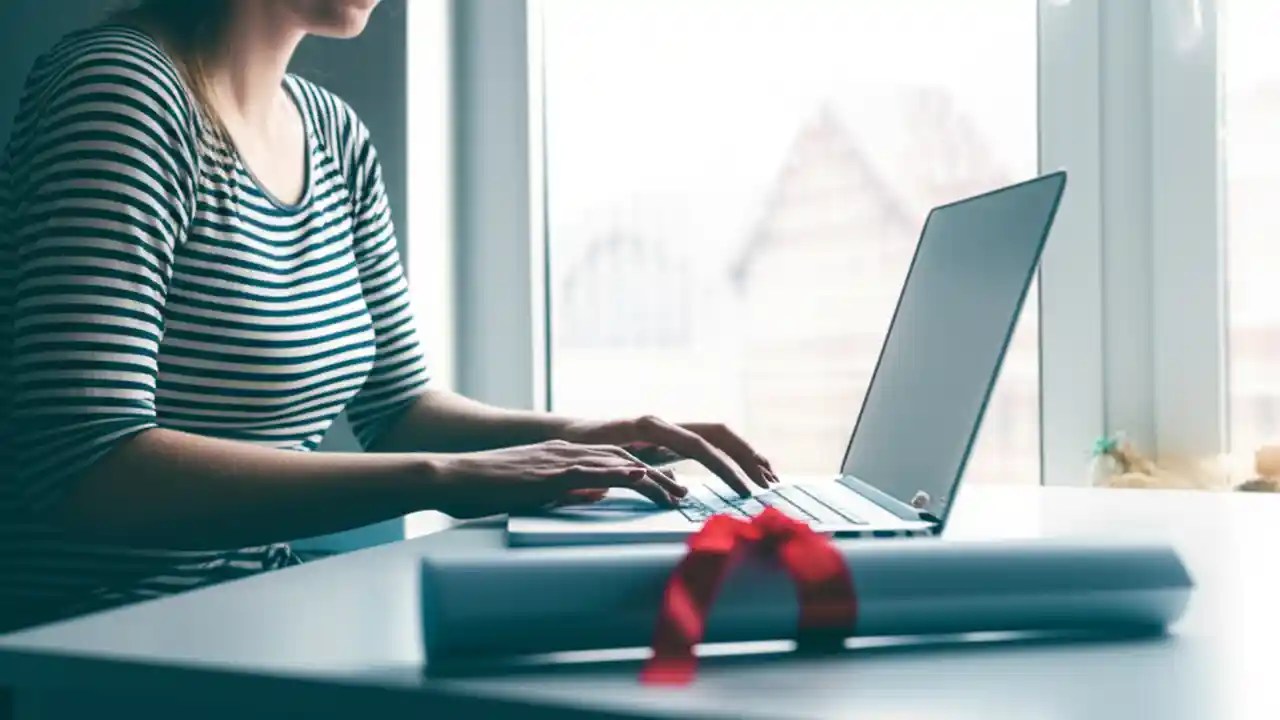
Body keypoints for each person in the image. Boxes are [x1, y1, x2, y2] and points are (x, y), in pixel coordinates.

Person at [0, 0, 776, 632]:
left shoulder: (336, 137)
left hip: (240, 617)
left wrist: (588, 437)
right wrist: (443, 479)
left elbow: (397, 407)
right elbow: (88, 465)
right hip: (85, 640)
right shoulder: (118, 93)